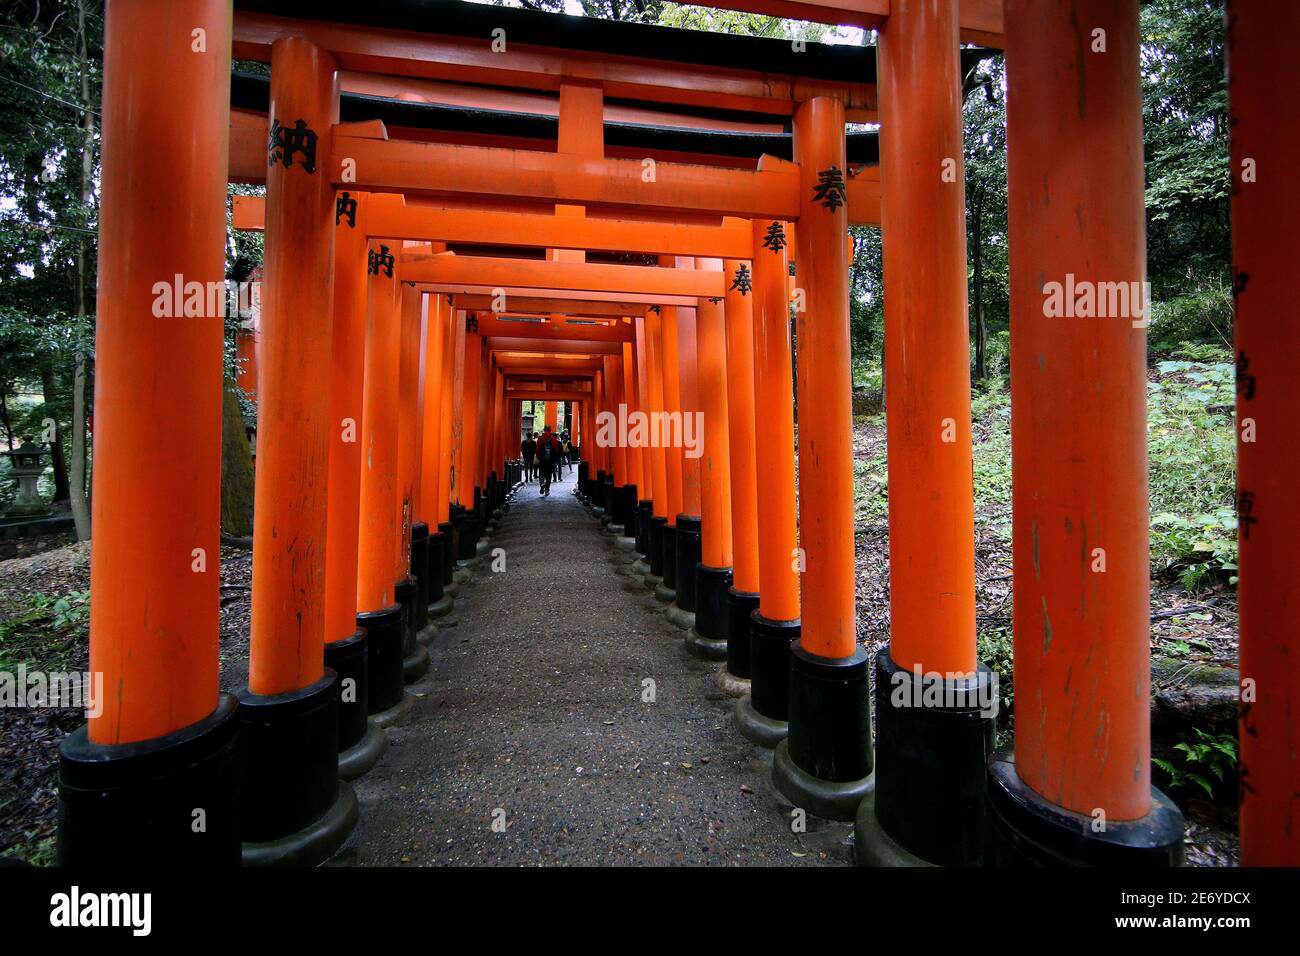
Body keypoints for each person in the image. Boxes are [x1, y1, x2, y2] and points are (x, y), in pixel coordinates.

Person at [536, 424, 561, 496]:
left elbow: (537, 449)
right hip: (550, 460)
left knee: (541, 472)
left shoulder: (540, 438)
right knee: (549, 475)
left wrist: (538, 457)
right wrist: (554, 458)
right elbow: (556, 450)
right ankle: (547, 490)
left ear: (544, 430)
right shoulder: (553, 439)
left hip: (542, 459)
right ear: (550, 430)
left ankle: (542, 484)